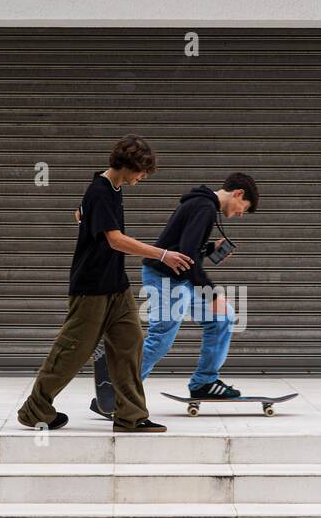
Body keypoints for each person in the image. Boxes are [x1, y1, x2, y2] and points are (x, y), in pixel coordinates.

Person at [17, 135, 192, 433]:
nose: (143, 177)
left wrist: (83, 217)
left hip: (116, 286)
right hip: (92, 286)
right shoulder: (100, 190)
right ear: (127, 165)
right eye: (141, 171)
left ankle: (131, 416)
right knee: (74, 349)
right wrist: (162, 254)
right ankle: (35, 409)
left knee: (131, 343)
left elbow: (81, 215)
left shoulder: (112, 188)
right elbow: (115, 240)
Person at [91, 174, 258, 415]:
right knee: (161, 339)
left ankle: (204, 383)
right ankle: (118, 394)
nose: (241, 213)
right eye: (245, 208)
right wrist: (213, 295)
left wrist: (210, 248)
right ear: (239, 193)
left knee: (223, 318)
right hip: (165, 277)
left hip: (180, 278)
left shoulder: (202, 205)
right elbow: (188, 255)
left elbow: (183, 246)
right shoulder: (205, 207)